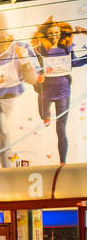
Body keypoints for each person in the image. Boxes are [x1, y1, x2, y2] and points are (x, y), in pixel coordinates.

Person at [0, 12, 39, 167]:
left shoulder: (20, 48)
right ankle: (7, 173)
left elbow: (32, 79)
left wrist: (24, 60)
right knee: (5, 133)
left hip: (10, 98)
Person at [32, 20, 87, 164]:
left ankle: (63, 161)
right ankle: (46, 116)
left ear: (60, 34)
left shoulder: (66, 49)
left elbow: (74, 62)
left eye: (56, 33)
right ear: (46, 34)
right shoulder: (39, 49)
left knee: (61, 130)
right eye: (51, 33)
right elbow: (33, 68)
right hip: (45, 91)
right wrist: (37, 77)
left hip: (63, 91)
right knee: (44, 114)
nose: (54, 36)